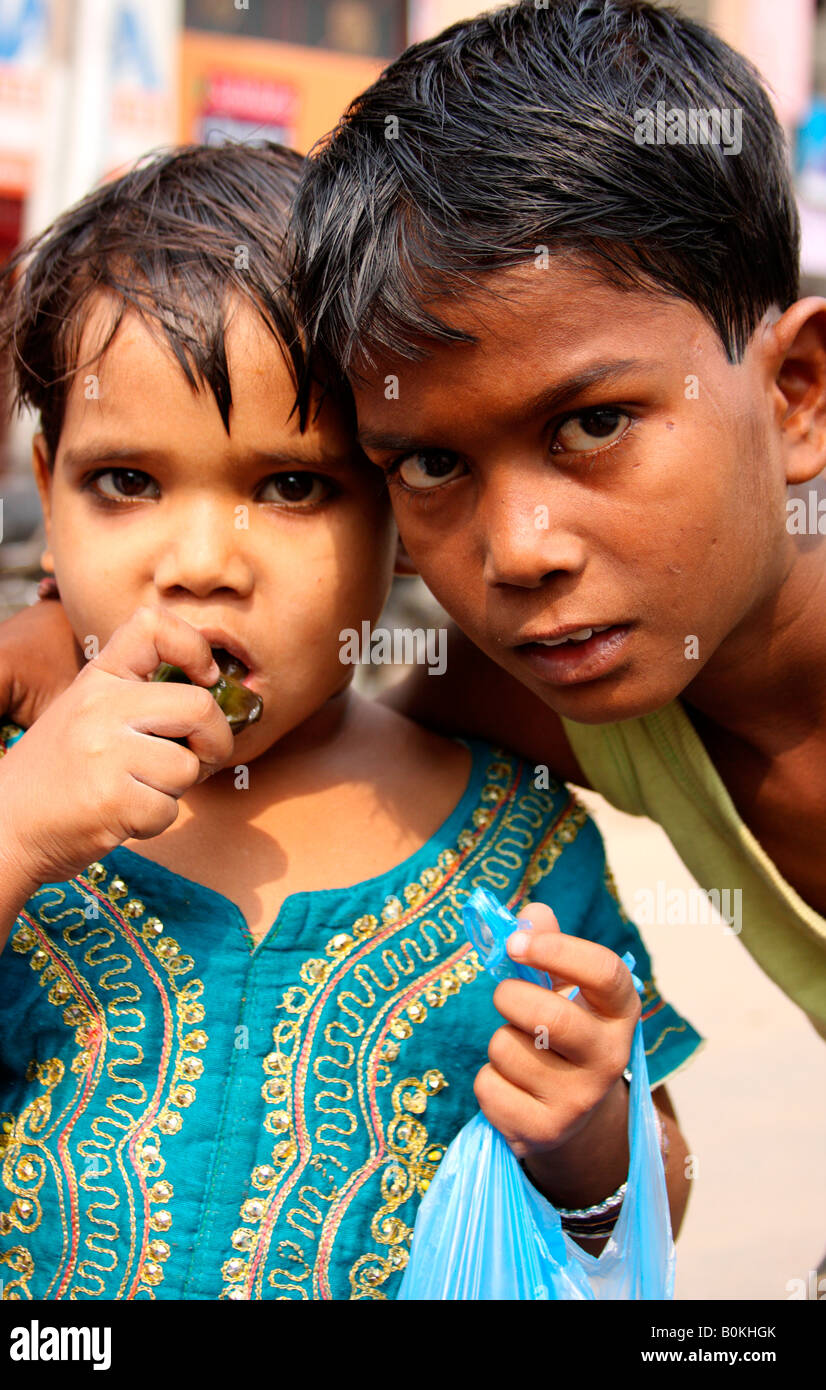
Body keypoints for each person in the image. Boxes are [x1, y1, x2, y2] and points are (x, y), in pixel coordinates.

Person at [0, 143, 698, 1301]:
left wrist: (586, 1145)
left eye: (292, 486)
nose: (200, 566)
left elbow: (652, 1188)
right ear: (48, 492)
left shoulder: (517, 837)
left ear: (401, 506)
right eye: (126, 483)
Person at [288, 0, 826, 1040]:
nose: (520, 550)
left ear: (795, 394)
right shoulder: (541, 689)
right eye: (432, 464)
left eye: (591, 425)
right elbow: (311, 727)